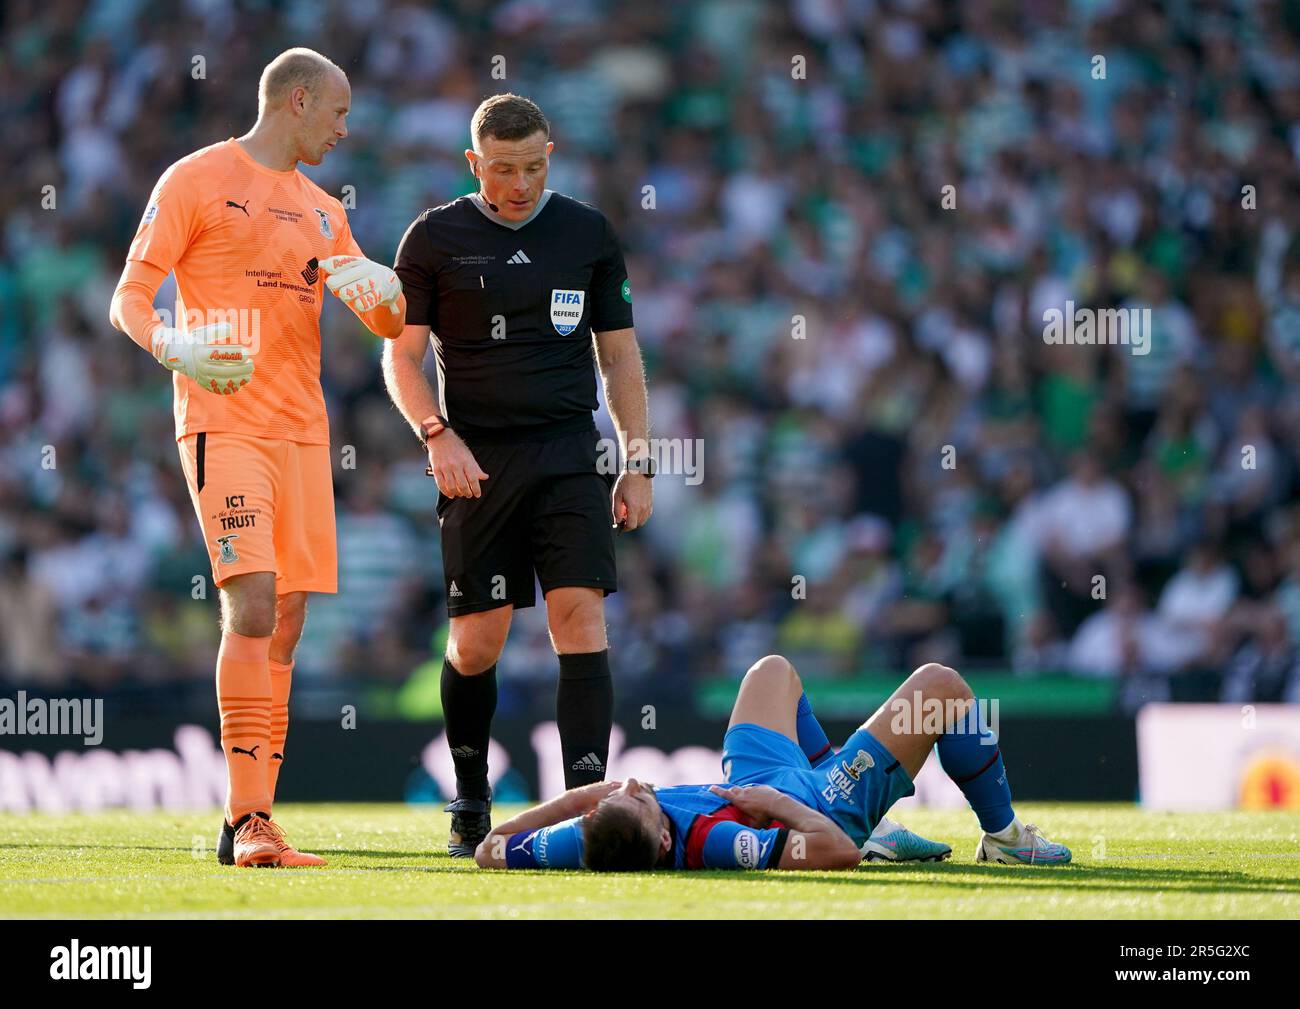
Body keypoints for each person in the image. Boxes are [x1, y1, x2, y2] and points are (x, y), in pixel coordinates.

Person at [108, 48, 405, 867]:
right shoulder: (196, 179)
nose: (346, 130)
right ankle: (248, 822)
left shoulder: (322, 210)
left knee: (290, 621)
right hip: (224, 420)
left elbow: (382, 321)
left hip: (304, 433)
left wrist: (385, 295)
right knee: (254, 605)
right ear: (298, 101)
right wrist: (175, 346)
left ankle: (251, 813)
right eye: (338, 114)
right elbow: (128, 298)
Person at [384, 93, 651, 856]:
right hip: (477, 458)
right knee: (476, 643)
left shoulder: (587, 233)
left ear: (550, 156)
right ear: (475, 165)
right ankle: (470, 795)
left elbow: (621, 356)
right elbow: (401, 356)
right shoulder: (433, 238)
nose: (521, 183)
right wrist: (436, 434)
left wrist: (638, 460)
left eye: (534, 166)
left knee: (581, 620)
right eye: (504, 169)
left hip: (570, 450)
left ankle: (586, 802)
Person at [475, 655, 1071, 870]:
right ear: (662, 842)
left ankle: (887, 828)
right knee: (941, 687)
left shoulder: (588, 843)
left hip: (756, 778)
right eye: (634, 797)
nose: (629, 782)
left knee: (772, 671)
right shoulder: (715, 841)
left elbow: (491, 848)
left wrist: (587, 800)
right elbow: (834, 853)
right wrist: (778, 807)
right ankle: (1006, 837)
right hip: (817, 804)